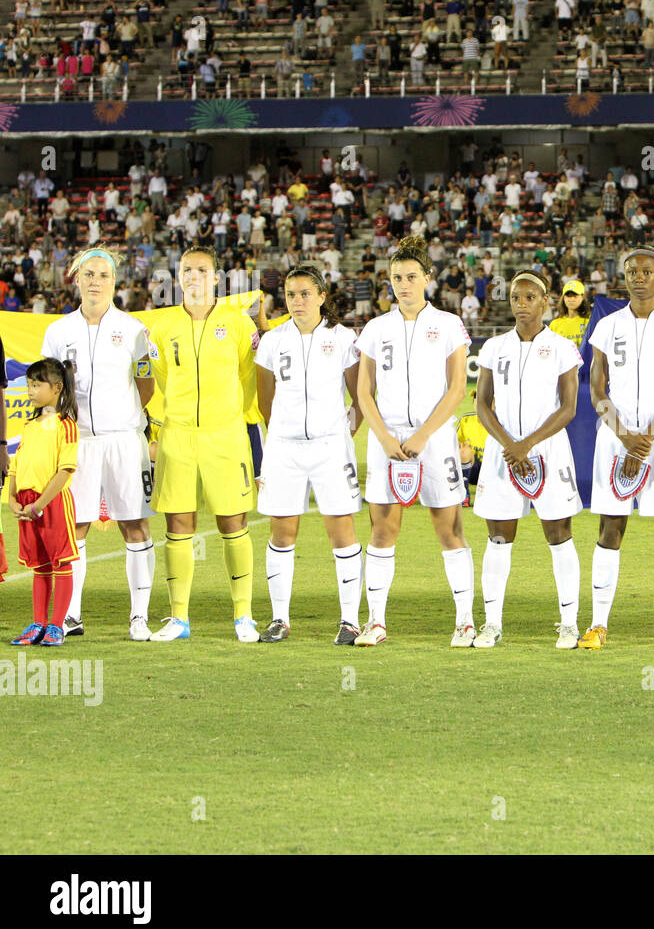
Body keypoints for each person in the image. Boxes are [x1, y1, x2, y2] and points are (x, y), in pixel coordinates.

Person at [354, 236, 474, 646]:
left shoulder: (447, 324)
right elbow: (363, 393)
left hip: (435, 439)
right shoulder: (375, 328)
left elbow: (458, 388)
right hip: (386, 440)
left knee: (449, 530)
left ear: (427, 277)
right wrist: (385, 437)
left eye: (410, 276)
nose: (403, 284)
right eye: (396, 278)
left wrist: (424, 435)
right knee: (383, 531)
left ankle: (464, 622)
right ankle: (377, 622)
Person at [583, 246, 654, 650]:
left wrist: (644, 439)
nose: (638, 277)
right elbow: (597, 389)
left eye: (647, 271)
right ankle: (597, 624)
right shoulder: (606, 325)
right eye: (632, 271)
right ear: (624, 276)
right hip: (615, 438)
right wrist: (625, 437)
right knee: (610, 527)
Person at [39, 247, 156, 641]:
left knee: (135, 524)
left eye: (103, 275)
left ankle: (138, 617)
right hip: (79, 442)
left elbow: (146, 384)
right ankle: (71, 615)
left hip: (125, 440)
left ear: (114, 282)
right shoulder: (58, 331)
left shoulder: (135, 329)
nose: (95, 282)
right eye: (88, 274)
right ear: (77, 279)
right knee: (76, 527)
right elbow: (47, 388)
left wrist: (126, 419)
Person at [146, 246, 260, 642]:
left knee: (233, 523)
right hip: (178, 437)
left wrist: (233, 419)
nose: (194, 276)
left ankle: (243, 616)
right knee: (178, 524)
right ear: (178, 277)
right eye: (187, 270)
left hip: (225, 436)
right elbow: (161, 377)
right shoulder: (162, 327)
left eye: (202, 270)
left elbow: (249, 376)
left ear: (216, 278)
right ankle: (178, 618)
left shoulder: (239, 323)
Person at [253, 265, 364, 644]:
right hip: (283, 448)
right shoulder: (271, 341)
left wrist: (344, 430)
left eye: (304, 293)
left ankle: (350, 621)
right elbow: (264, 400)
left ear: (320, 296)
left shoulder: (343, 337)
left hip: (331, 446)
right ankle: (279, 618)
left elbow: (360, 395)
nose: (297, 301)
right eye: (290, 294)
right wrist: (283, 430)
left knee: (341, 531)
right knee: (282, 532)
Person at [473, 273, 584, 649]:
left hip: (549, 451)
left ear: (545, 301)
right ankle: (492, 624)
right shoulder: (493, 347)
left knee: (559, 536)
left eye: (530, 297)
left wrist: (528, 444)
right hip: (503, 452)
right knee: (499, 537)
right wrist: (511, 445)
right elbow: (481, 406)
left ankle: (569, 624)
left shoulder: (562, 348)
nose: (522, 303)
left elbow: (569, 408)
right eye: (516, 297)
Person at [6, 359, 80, 647]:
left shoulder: (66, 425)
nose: (30, 391)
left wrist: (40, 504)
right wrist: (12, 498)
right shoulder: (29, 425)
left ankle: (56, 626)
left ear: (57, 387)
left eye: (37, 385)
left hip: (52, 503)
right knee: (40, 566)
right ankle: (38, 623)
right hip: (27, 505)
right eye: (28, 385)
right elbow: (16, 466)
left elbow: (65, 470)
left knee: (60, 563)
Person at [549, 278, 589, 348]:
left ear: (582, 297)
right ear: (563, 298)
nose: (571, 299)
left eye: (575, 296)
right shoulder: (554, 325)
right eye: (568, 296)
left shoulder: (590, 321)